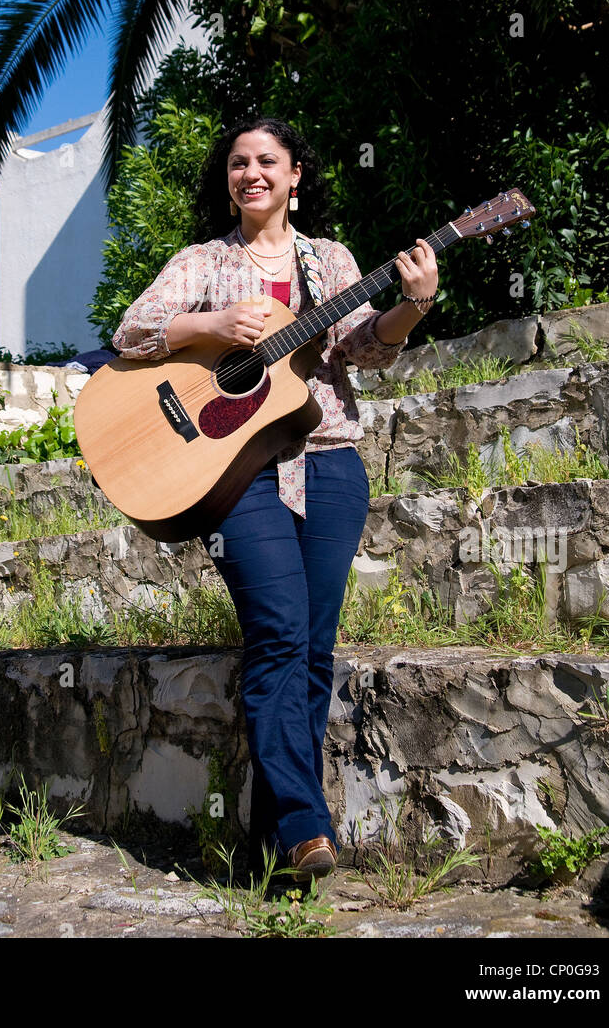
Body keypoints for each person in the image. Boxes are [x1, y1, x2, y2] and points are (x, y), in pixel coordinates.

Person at [111, 116, 439, 884]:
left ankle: (278, 847)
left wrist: (414, 303)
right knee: (278, 633)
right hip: (237, 472)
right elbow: (131, 332)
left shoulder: (329, 262)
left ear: (295, 175)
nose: (250, 172)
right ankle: (306, 825)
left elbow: (365, 348)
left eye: (266, 160)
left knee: (311, 651)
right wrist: (213, 323)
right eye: (237, 162)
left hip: (327, 466)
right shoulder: (200, 262)